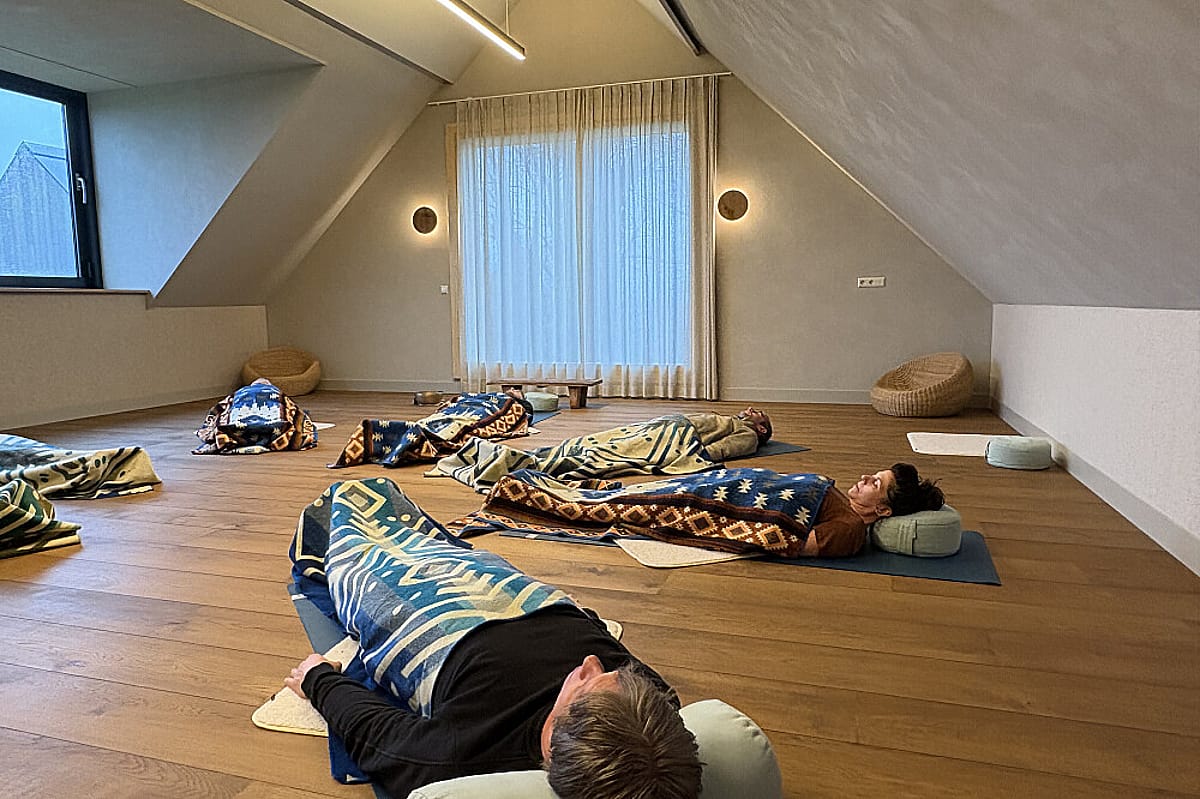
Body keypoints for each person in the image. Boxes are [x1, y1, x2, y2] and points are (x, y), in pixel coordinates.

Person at [286, 479, 703, 799]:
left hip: (437, 626)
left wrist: (317, 679)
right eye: (613, 676)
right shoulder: (655, 706)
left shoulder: (461, 755)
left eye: (585, 685)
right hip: (524, 598)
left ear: (552, 744)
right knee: (442, 546)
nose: (591, 662)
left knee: (355, 536)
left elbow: (380, 735)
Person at [801, 462, 944, 556]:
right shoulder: (838, 498)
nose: (864, 477)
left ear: (882, 509)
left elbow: (792, 543)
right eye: (873, 476)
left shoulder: (850, 529)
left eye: (875, 483)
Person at [684, 406, 772, 461]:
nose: (750, 408)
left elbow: (718, 450)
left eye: (756, 413)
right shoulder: (733, 421)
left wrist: (692, 458)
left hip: (681, 433)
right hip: (678, 422)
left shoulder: (750, 435)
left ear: (762, 429)